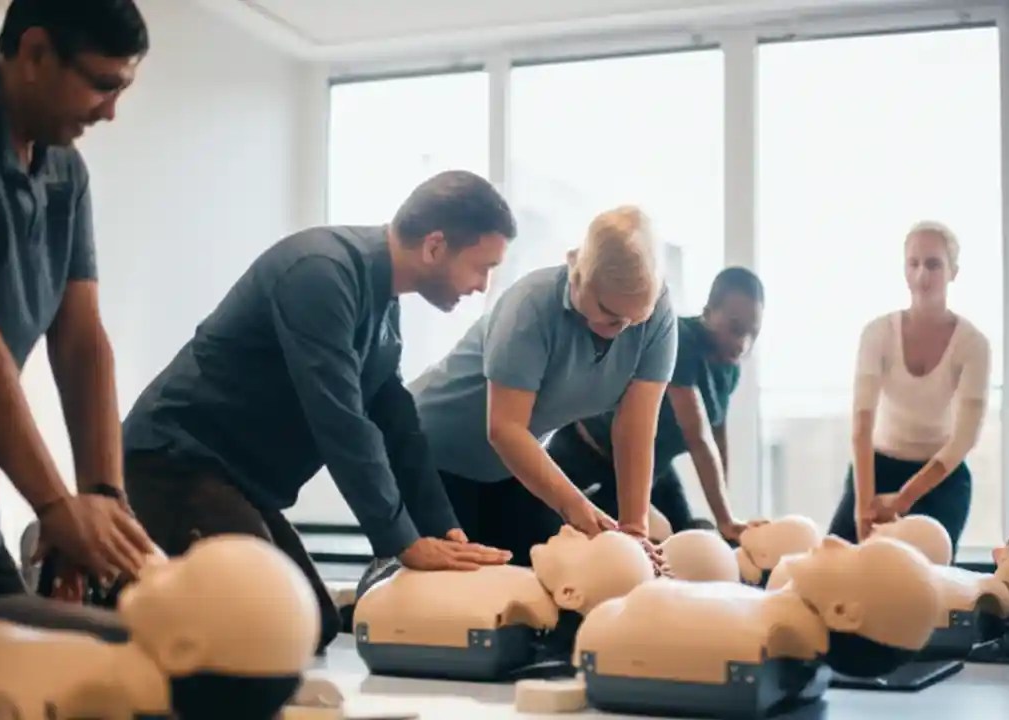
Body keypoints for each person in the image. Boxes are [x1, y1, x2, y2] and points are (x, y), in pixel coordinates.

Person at [120, 171, 516, 651]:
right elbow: (341, 420)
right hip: (175, 461)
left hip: (239, 482)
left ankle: (130, 564)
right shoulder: (319, 272)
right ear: (434, 246)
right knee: (268, 626)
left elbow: (395, 418)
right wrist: (401, 541)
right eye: (481, 267)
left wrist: (442, 527)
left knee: (313, 626)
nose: (482, 287)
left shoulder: (382, 299)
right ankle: (107, 577)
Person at [0, 0, 156, 631]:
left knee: (113, 654)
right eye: (102, 85)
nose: (110, 111)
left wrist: (102, 500)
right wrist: (54, 505)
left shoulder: (64, 173)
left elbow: (81, 341)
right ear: (33, 53)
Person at [410, 206, 677, 566]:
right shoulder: (530, 306)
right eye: (609, 313)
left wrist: (634, 530)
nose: (623, 328)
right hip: (429, 449)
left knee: (548, 574)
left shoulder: (658, 314)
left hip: (509, 467)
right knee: (450, 586)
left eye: (635, 319)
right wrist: (577, 507)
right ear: (576, 271)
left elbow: (635, 426)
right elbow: (505, 428)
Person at [547, 267, 765, 543]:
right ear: (709, 312)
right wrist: (725, 520)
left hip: (649, 465)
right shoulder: (679, 339)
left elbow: (716, 432)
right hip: (586, 452)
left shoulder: (729, 368)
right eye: (735, 329)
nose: (742, 344)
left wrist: (725, 509)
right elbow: (697, 437)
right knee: (581, 535)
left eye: (752, 333)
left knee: (685, 537)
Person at [828, 221, 991, 551]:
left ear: (953, 271)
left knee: (922, 580)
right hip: (876, 468)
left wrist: (903, 500)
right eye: (913, 264)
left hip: (939, 478)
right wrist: (864, 508)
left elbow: (964, 438)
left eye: (933, 264)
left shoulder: (973, 344)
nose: (921, 275)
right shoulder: (877, 333)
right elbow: (862, 424)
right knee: (835, 566)